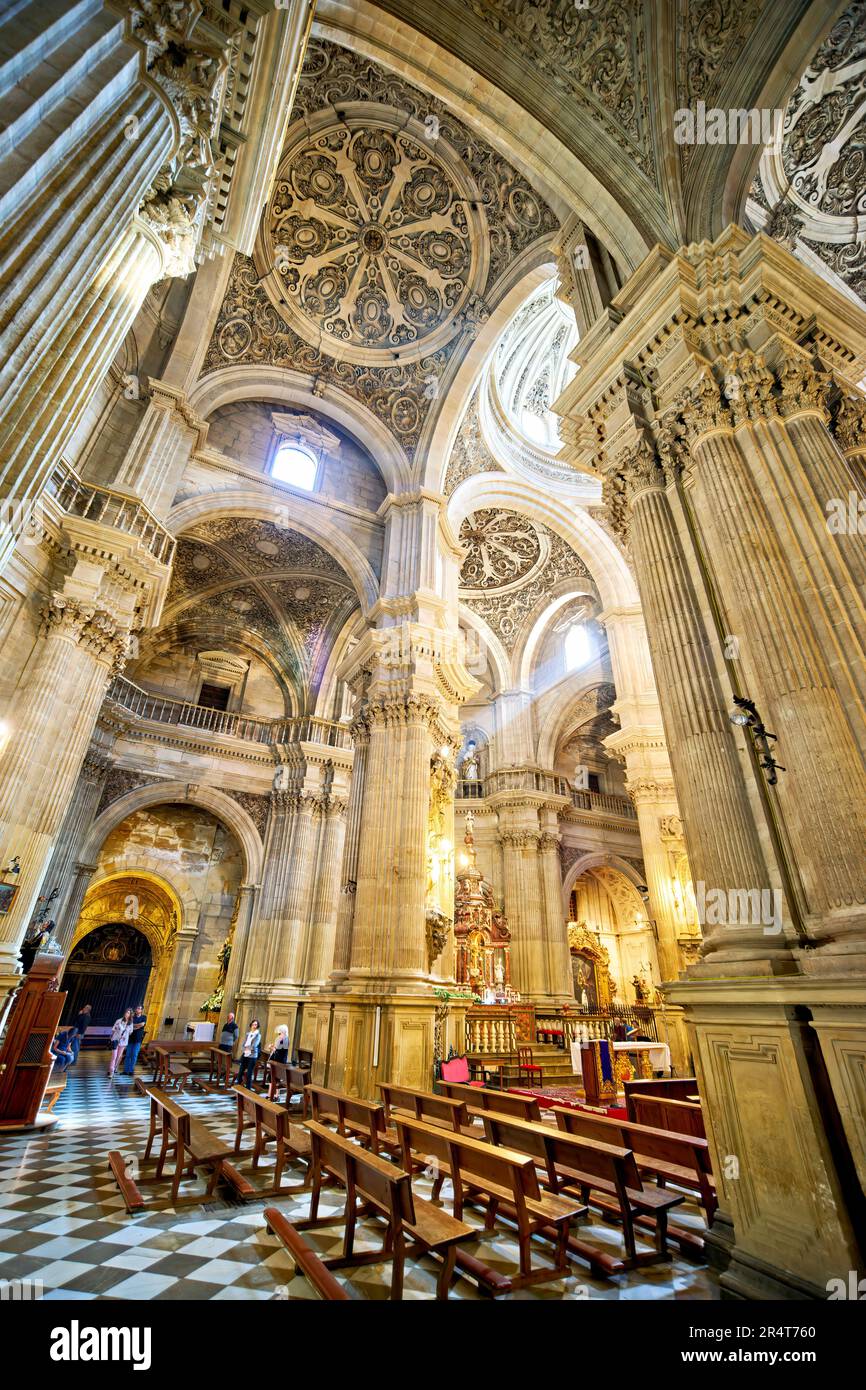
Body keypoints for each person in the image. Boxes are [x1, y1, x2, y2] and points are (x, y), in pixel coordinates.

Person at [234, 1018, 261, 1089]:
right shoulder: (247, 1034)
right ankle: (239, 1089)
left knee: (249, 1074)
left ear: (257, 1026)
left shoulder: (258, 1035)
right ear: (251, 1025)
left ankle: (248, 1090)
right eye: (253, 1024)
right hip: (245, 1055)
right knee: (240, 1073)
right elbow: (243, 1044)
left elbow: (254, 1045)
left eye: (256, 1025)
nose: (254, 1026)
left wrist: (247, 1048)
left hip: (252, 1056)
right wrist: (244, 1049)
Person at [108, 1009, 133, 1077]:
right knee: (114, 1056)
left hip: (123, 1042)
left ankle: (114, 1068)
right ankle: (111, 1071)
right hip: (116, 1040)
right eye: (126, 1012)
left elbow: (130, 1032)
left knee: (118, 1057)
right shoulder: (119, 1020)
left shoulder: (130, 1023)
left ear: (130, 1015)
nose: (127, 1014)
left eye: (128, 1013)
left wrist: (125, 1035)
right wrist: (111, 1038)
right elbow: (113, 1030)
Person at [123, 1004, 147, 1074]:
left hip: (138, 1039)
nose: (138, 1010)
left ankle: (131, 1070)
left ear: (142, 1010)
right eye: (137, 1008)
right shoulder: (132, 1017)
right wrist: (137, 1026)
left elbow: (142, 1024)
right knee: (128, 1055)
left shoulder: (144, 1017)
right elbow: (129, 1024)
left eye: (140, 1008)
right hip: (130, 1038)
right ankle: (125, 1070)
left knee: (134, 1055)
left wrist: (133, 1026)